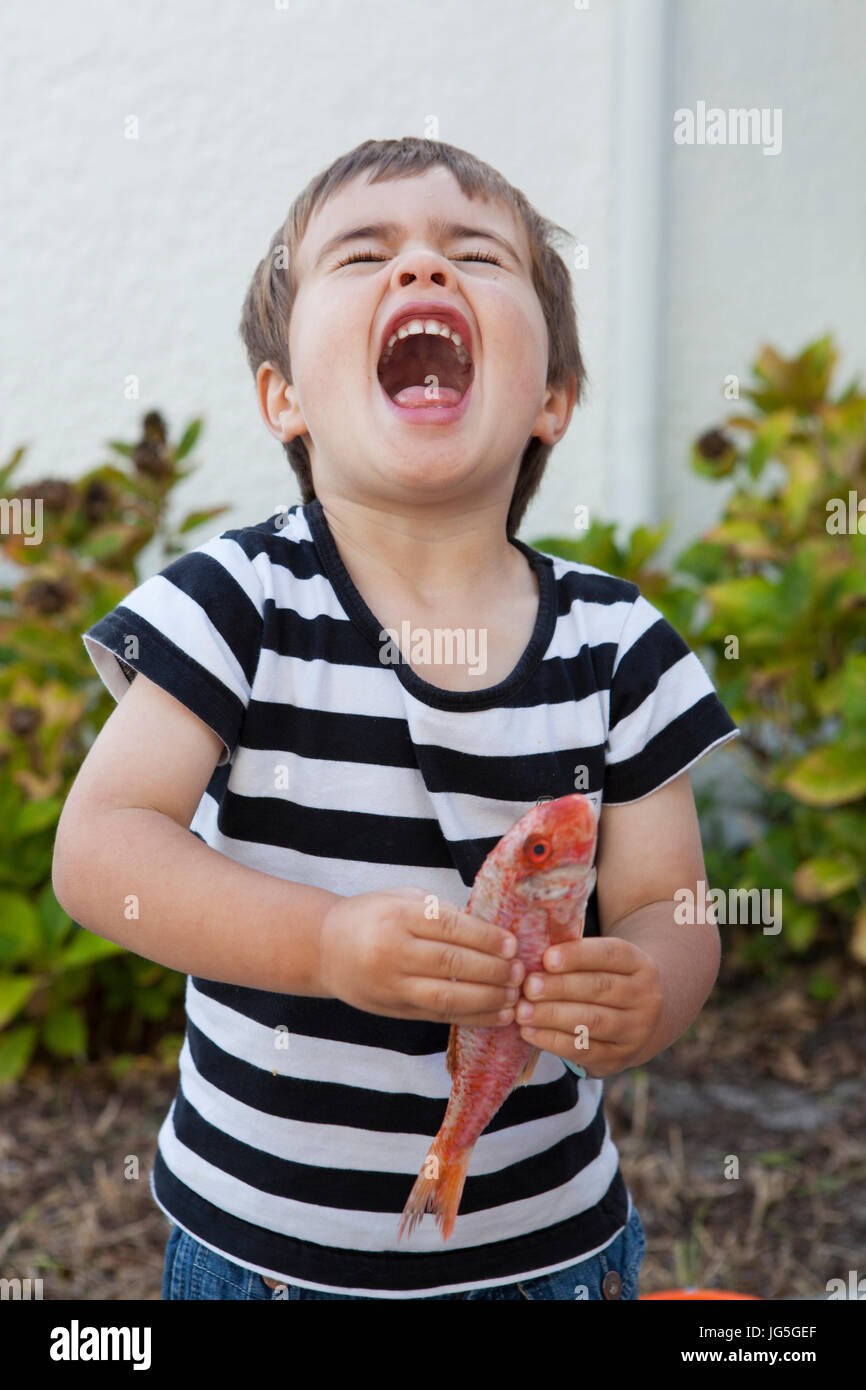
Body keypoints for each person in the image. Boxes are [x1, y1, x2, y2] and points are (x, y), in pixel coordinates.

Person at [52, 136, 739, 1301]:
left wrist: (647, 990)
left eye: (473, 254)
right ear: (284, 396)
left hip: (547, 1252)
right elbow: (101, 852)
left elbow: (670, 904)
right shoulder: (237, 603)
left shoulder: (618, 645)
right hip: (263, 1250)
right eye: (362, 254)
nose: (420, 270)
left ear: (551, 398)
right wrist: (321, 944)